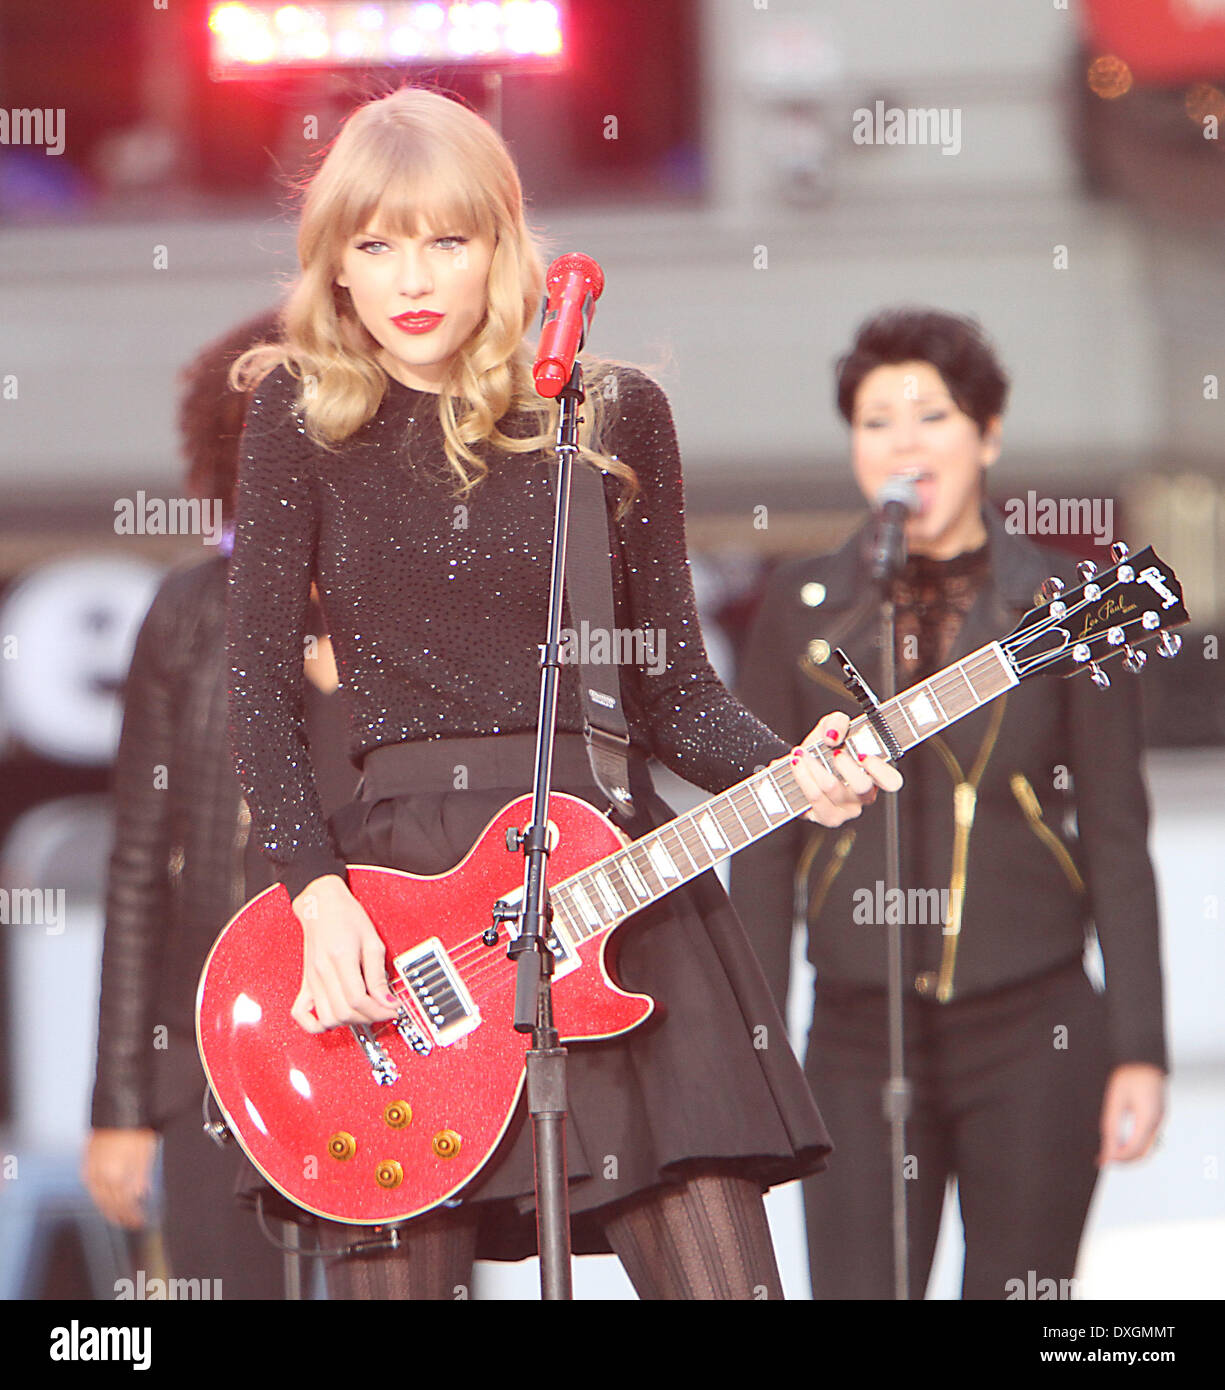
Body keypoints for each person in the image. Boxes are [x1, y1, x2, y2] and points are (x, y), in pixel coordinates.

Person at [223, 85, 900, 1301]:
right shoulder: (297, 414)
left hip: (612, 877)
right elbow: (257, 689)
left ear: (502, 242)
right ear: (335, 264)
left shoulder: (608, 410)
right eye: (375, 243)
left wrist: (792, 771)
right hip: (402, 912)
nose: (412, 276)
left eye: (447, 238)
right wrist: (317, 896)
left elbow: (674, 687)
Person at [730, 307, 1167, 1300]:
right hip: (851, 1033)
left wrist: (1139, 1048)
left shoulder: (1063, 607)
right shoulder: (804, 610)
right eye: (877, 420)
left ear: (988, 434)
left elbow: (1115, 832)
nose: (904, 441)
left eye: (931, 414)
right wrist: (754, 1050)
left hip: (1034, 1026)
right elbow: (761, 846)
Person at [84, 310, 354, 1298]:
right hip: (215, 1039)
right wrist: (118, 1102)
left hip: (386, 1032)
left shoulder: (413, 618)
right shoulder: (192, 614)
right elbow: (137, 866)